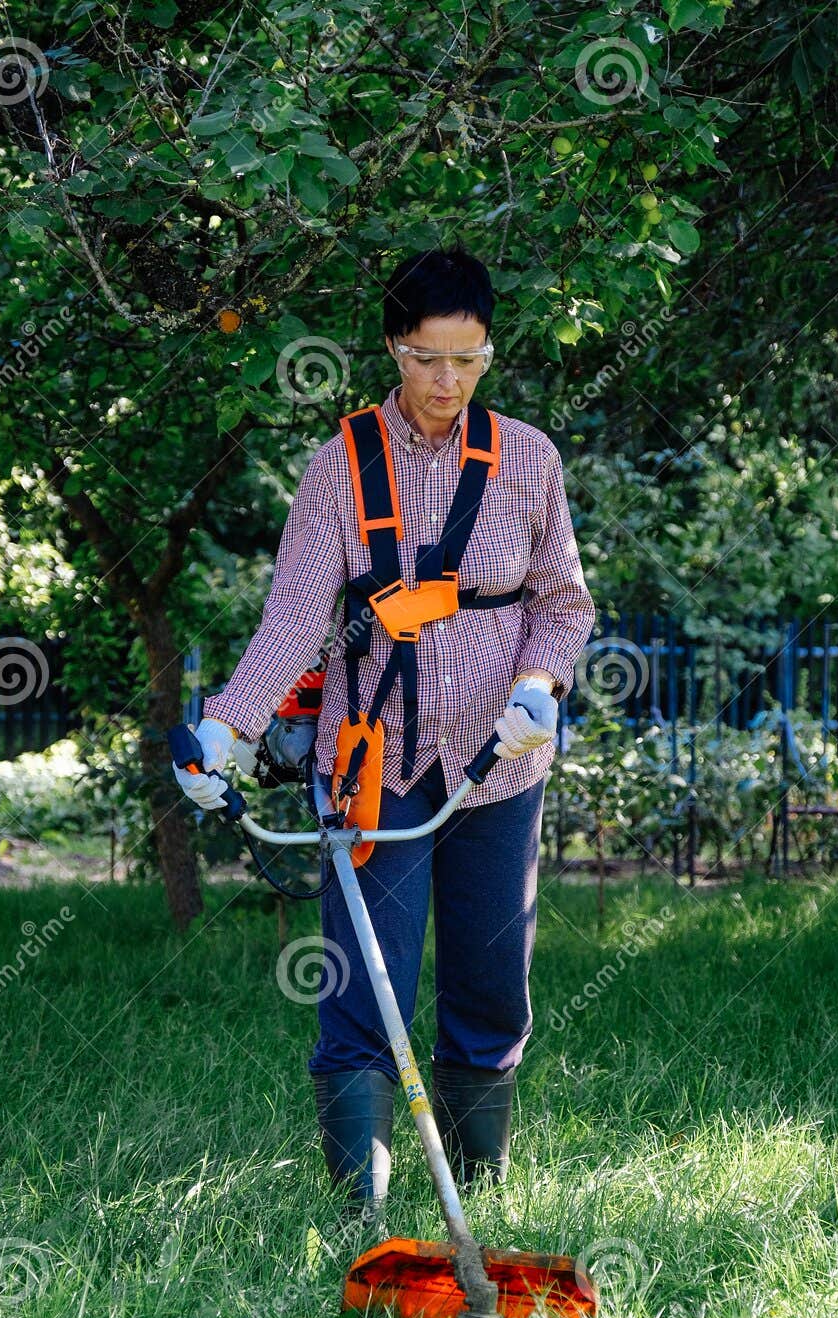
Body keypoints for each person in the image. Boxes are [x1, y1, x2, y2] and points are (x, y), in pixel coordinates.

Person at [173, 242, 595, 1214]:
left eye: (469, 358)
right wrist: (226, 732)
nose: (447, 382)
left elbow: (561, 603)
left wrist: (541, 683)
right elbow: (292, 620)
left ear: (490, 349)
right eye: (425, 358)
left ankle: (477, 1193)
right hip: (376, 765)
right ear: (391, 347)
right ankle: (356, 1210)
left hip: (498, 763)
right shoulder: (339, 470)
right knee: (367, 994)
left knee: (491, 990)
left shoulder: (527, 459)